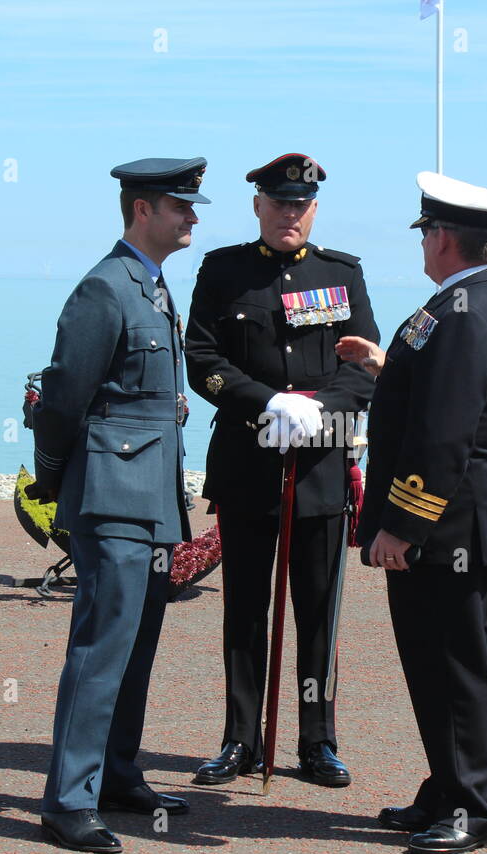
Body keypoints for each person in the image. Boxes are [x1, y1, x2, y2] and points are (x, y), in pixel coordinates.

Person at [341, 171, 487, 854]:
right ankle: (447, 788)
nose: (423, 241)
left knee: (455, 669)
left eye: (427, 230)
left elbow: (444, 436)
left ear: (445, 237)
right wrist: (389, 369)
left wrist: (401, 526)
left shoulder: (466, 314)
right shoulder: (476, 303)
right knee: (436, 666)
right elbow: (439, 399)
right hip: (461, 519)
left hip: (451, 526)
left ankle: (474, 810)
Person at [28, 157, 207, 853]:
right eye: (180, 206)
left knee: (136, 647)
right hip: (111, 497)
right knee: (101, 649)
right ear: (142, 211)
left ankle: (116, 774)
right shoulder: (105, 289)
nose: (192, 217)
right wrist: (51, 476)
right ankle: (67, 800)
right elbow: (65, 397)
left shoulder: (152, 286)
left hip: (152, 497)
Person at [184, 153, 380, 786]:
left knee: (317, 610)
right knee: (244, 608)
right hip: (247, 463)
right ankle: (240, 737)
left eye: (300, 206)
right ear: (258, 207)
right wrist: (267, 401)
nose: (289, 214)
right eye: (279, 204)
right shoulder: (223, 271)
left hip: (321, 467)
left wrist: (318, 409)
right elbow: (202, 358)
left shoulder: (341, 274)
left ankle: (317, 739)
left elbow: (365, 365)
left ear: (313, 210)